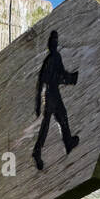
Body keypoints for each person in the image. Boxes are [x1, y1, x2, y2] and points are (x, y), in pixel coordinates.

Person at [33, 30, 79, 170]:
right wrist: (71, 78)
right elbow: (45, 79)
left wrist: (70, 78)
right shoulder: (51, 59)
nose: (54, 43)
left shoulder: (55, 57)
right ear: (50, 44)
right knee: (47, 124)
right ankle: (38, 151)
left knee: (62, 117)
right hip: (50, 94)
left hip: (53, 93)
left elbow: (60, 74)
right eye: (52, 41)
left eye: (55, 40)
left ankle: (67, 141)